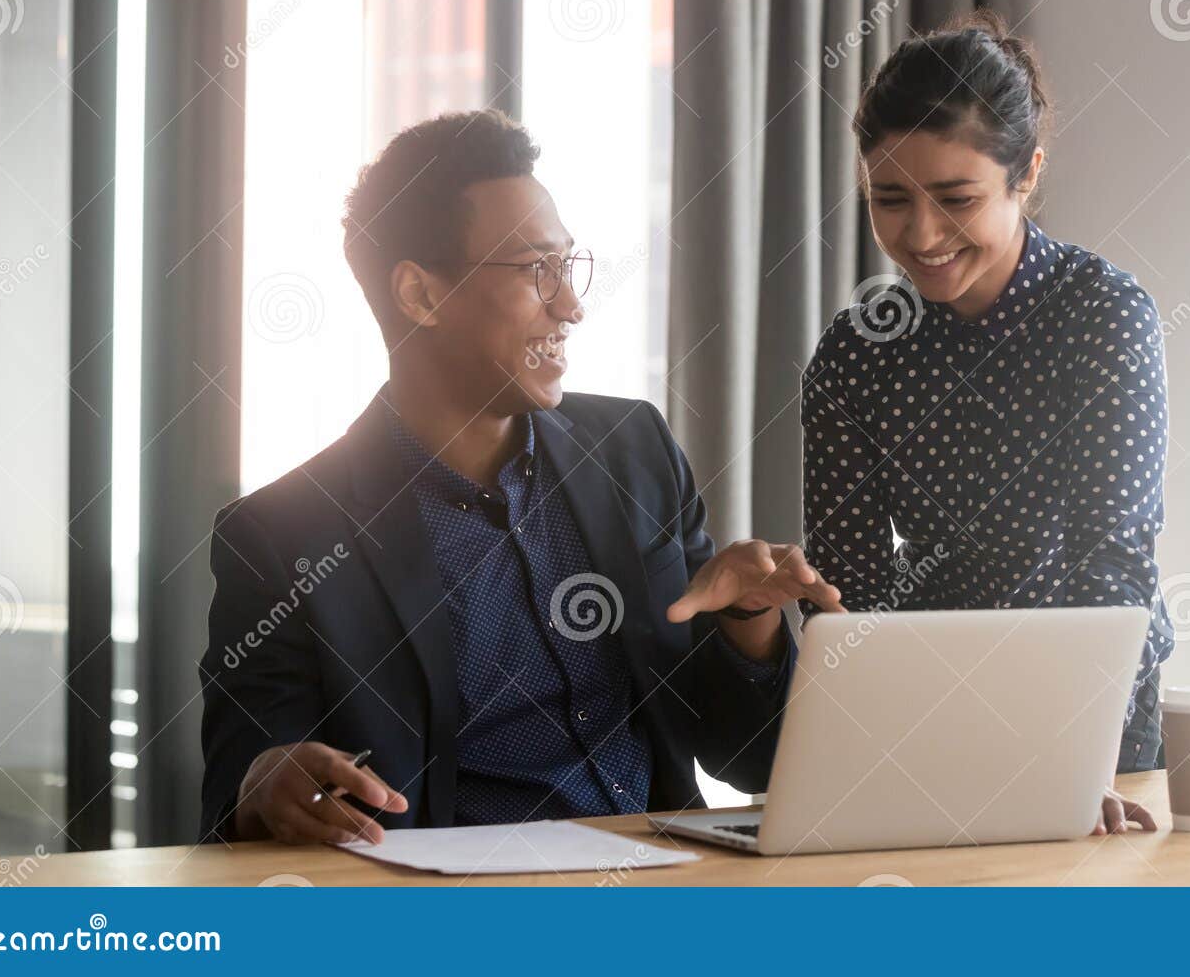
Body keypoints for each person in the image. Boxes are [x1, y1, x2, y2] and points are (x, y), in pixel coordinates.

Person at [199, 110, 842, 845]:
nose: (571, 304)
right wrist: (269, 783)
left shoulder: (634, 449)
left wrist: (747, 626)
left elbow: (749, 758)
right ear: (420, 296)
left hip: (670, 888)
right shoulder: (281, 535)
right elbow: (238, 794)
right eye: (537, 271)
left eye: (568, 266)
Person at [801, 11, 1171, 833]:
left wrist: (1076, 761)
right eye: (889, 199)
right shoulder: (857, 353)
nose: (921, 235)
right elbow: (845, 593)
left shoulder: (1102, 318)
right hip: (928, 728)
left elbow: (1111, 563)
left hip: (1097, 728)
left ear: (1027, 174)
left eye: (957, 198)